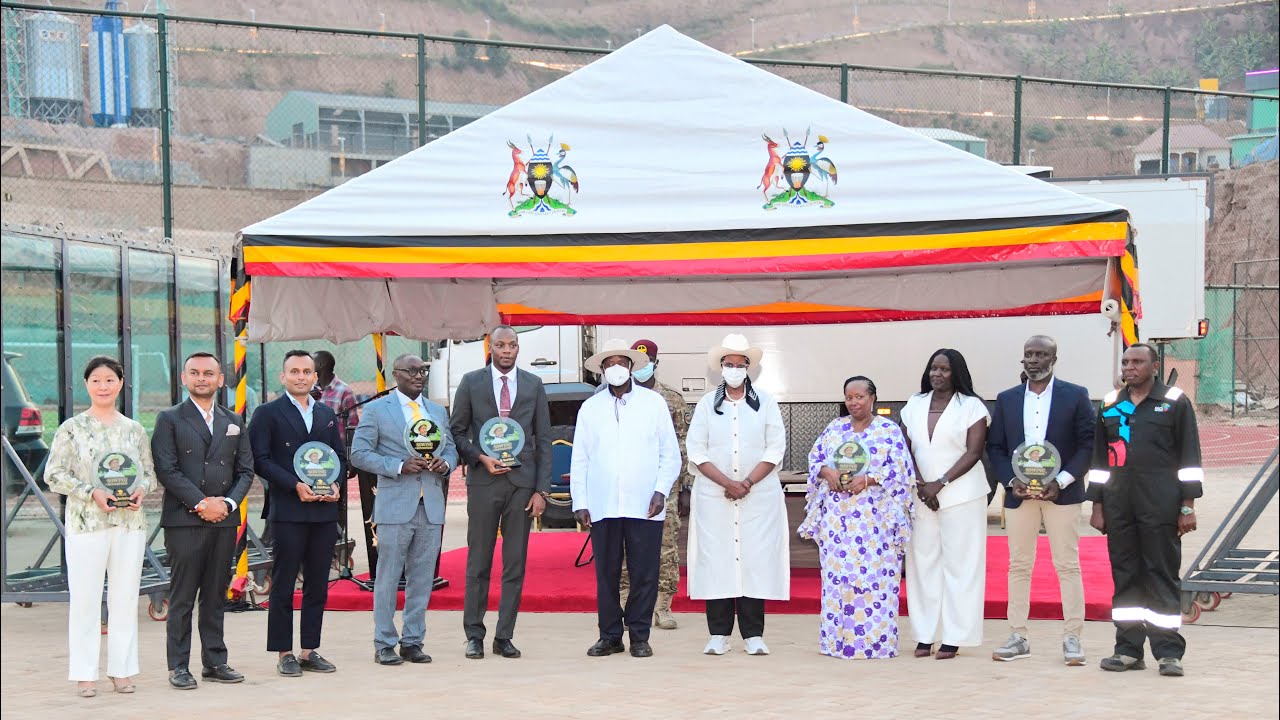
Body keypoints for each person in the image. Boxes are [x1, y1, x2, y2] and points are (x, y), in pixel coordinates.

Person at [1087, 343, 1202, 677]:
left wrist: (1187, 506)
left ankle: (1168, 653)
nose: (1129, 367)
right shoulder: (1110, 405)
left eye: (1137, 362)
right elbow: (1099, 462)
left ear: (1154, 367)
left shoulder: (1174, 403)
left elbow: (1190, 459)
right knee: (1125, 575)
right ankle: (1127, 650)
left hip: (1161, 505)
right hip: (1118, 506)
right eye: (1125, 362)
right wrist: (1098, 505)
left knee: (1161, 574)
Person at [45, 356, 157, 697]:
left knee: (125, 599)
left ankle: (121, 670)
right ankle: (85, 674)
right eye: (96, 380)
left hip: (128, 524)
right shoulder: (71, 428)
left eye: (110, 379)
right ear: (87, 385)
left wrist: (141, 490)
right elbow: (53, 474)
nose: (103, 386)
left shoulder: (134, 429)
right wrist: (89, 491)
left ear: (120, 384)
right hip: (86, 524)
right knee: (86, 599)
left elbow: (149, 474)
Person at [987, 335, 1096, 666]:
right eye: (1028, 355)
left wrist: (1061, 481)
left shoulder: (1075, 396)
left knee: (1067, 564)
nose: (1033, 360)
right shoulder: (1006, 399)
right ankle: (1018, 636)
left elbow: (1087, 445)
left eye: (1040, 354)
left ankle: (1072, 638)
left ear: (1054, 358)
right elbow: (995, 448)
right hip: (1020, 496)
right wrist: (1011, 480)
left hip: (1062, 494)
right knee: (1019, 565)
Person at [570, 339, 680, 659]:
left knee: (644, 571)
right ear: (602, 370)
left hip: (645, 503)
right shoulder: (591, 408)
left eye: (621, 362)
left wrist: (660, 490)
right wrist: (581, 501)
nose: (615, 368)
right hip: (603, 503)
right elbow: (581, 458)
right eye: (609, 363)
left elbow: (669, 455)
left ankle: (640, 635)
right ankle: (610, 636)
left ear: (632, 366)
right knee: (606, 573)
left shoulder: (654, 403)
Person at [449, 325, 552, 660]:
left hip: (522, 487)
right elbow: (457, 430)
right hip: (483, 481)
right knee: (478, 561)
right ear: (490, 348)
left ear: (518, 348)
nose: (506, 351)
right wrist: (479, 457)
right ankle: (474, 635)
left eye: (512, 345)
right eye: (500, 345)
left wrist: (541, 491)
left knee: (515, 564)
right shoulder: (471, 382)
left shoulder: (534, 384)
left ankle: (504, 635)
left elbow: (544, 439)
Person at [151, 352, 254, 689]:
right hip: (185, 520)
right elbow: (167, 469)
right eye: (194, 373)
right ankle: (178, 666)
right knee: (182, 596)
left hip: (224, 519)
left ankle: (215, 661)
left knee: (214, 594)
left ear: (220, 379)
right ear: (184, 378)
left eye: (209, 373)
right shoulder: (169, 419)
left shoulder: (233, 420)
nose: (201, 378)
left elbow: (245, 470)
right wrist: (200, 503)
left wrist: (225, 503)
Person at [685, 334, 789, 656]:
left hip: (757, 496)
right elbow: (696, 450)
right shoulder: (705, 404)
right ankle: (718, 633)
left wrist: (746, 483)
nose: (733, 369)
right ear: (720, 368)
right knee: (717, 560)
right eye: (728, 364)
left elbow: (775, 447)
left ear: (748, 368)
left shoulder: (766, 402)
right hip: (714, 496)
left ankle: (753, 634)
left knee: (753, 559)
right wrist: (726, 483)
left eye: (739, 364)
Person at [351, 353, 457, 666]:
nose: (418, 375)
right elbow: (358, 454)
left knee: (422, 578)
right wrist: (397, 465)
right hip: (395, 503)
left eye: (423, 370)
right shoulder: (376, 409)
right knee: (387, 576)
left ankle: (413, 641)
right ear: (396, 374)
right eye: (411, 370)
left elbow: (450, 448)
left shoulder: (437, 411)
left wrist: (446, 463)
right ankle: (384, 643)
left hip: (431, 504)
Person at [799, 375, 914, 659]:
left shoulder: (888, 430)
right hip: (839, 521)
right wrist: (828, 473)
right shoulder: (834, 428)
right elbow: (815, 460)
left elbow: (902, 471)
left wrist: (869, 479)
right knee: (839, 579)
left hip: (875, 521)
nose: (853, 403)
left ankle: (876, 643)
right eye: (849, 397)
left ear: (873, 397)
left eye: (859, 397)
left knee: (875, 580)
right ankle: (837, 643)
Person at [248, 350, 347, 677]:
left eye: (307, 371)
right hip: (288, 510)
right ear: (283, 376)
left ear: (315, 376)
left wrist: (334, 485)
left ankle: (309, 649)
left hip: (323, 512)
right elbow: (260, 460)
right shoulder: (267, 414)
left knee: (319, 583)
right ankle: (284, 652)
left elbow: (339, 459)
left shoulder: (326, 415)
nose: (301, 376)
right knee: (284, 583)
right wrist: (294, 485)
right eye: (294, 371)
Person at [900, 348, 990, 660]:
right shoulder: (914, 404)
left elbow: (973, 452)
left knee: (961, 566)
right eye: (933, 369)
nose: (937, 375)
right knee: (922, 564)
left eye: (945, 370)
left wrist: (940, 483)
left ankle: (955, 636)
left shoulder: (972, 406)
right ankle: (925, 635)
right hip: (922, 494)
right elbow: (905, 449)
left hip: (962, 495)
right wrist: (923, 486)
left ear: (958, 373)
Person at [620, 339, 691, 631]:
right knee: (626, 546)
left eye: (647, 359)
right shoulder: (619, 397)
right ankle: (627, 602)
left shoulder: (671, 399)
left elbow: (683, 444)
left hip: (666, 488)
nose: (642, 365)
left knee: (665, 547)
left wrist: (685, 485)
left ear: (655, 362)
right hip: (629, 485)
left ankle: (663, 606)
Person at [312, 350, 359, 440]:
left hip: (335, 449)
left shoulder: (344, 391)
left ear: (321, 364)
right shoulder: (309, 390)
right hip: (313, 449)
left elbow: (353, 425)